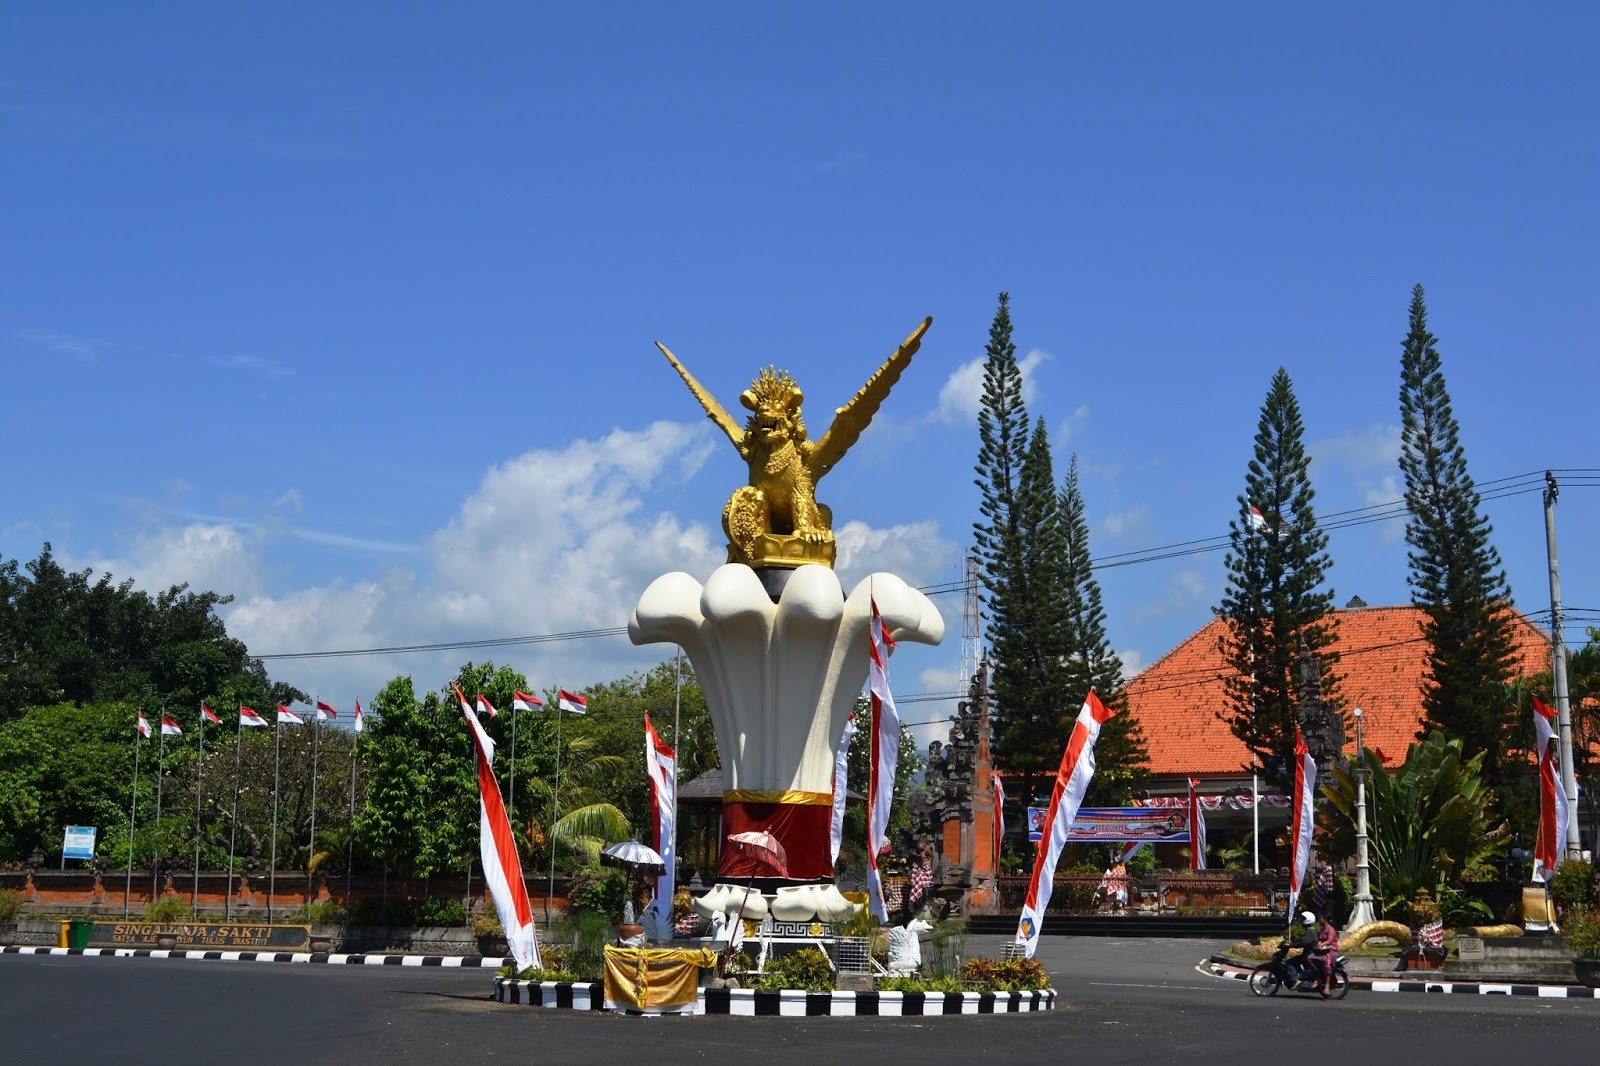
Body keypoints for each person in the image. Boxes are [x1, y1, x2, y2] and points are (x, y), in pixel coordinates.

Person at [1310, 914, 1339, 997]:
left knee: (1327, 963)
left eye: (1321, 918)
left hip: (1331, 950)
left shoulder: (1331, 929)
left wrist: (1322, 944)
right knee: (1310, 958)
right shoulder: (1322, 929)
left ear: (1325, 919)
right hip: (1322, 949)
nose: (1319, 920)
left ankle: (1327, 986)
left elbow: (1329, 941)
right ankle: (1317, 976)